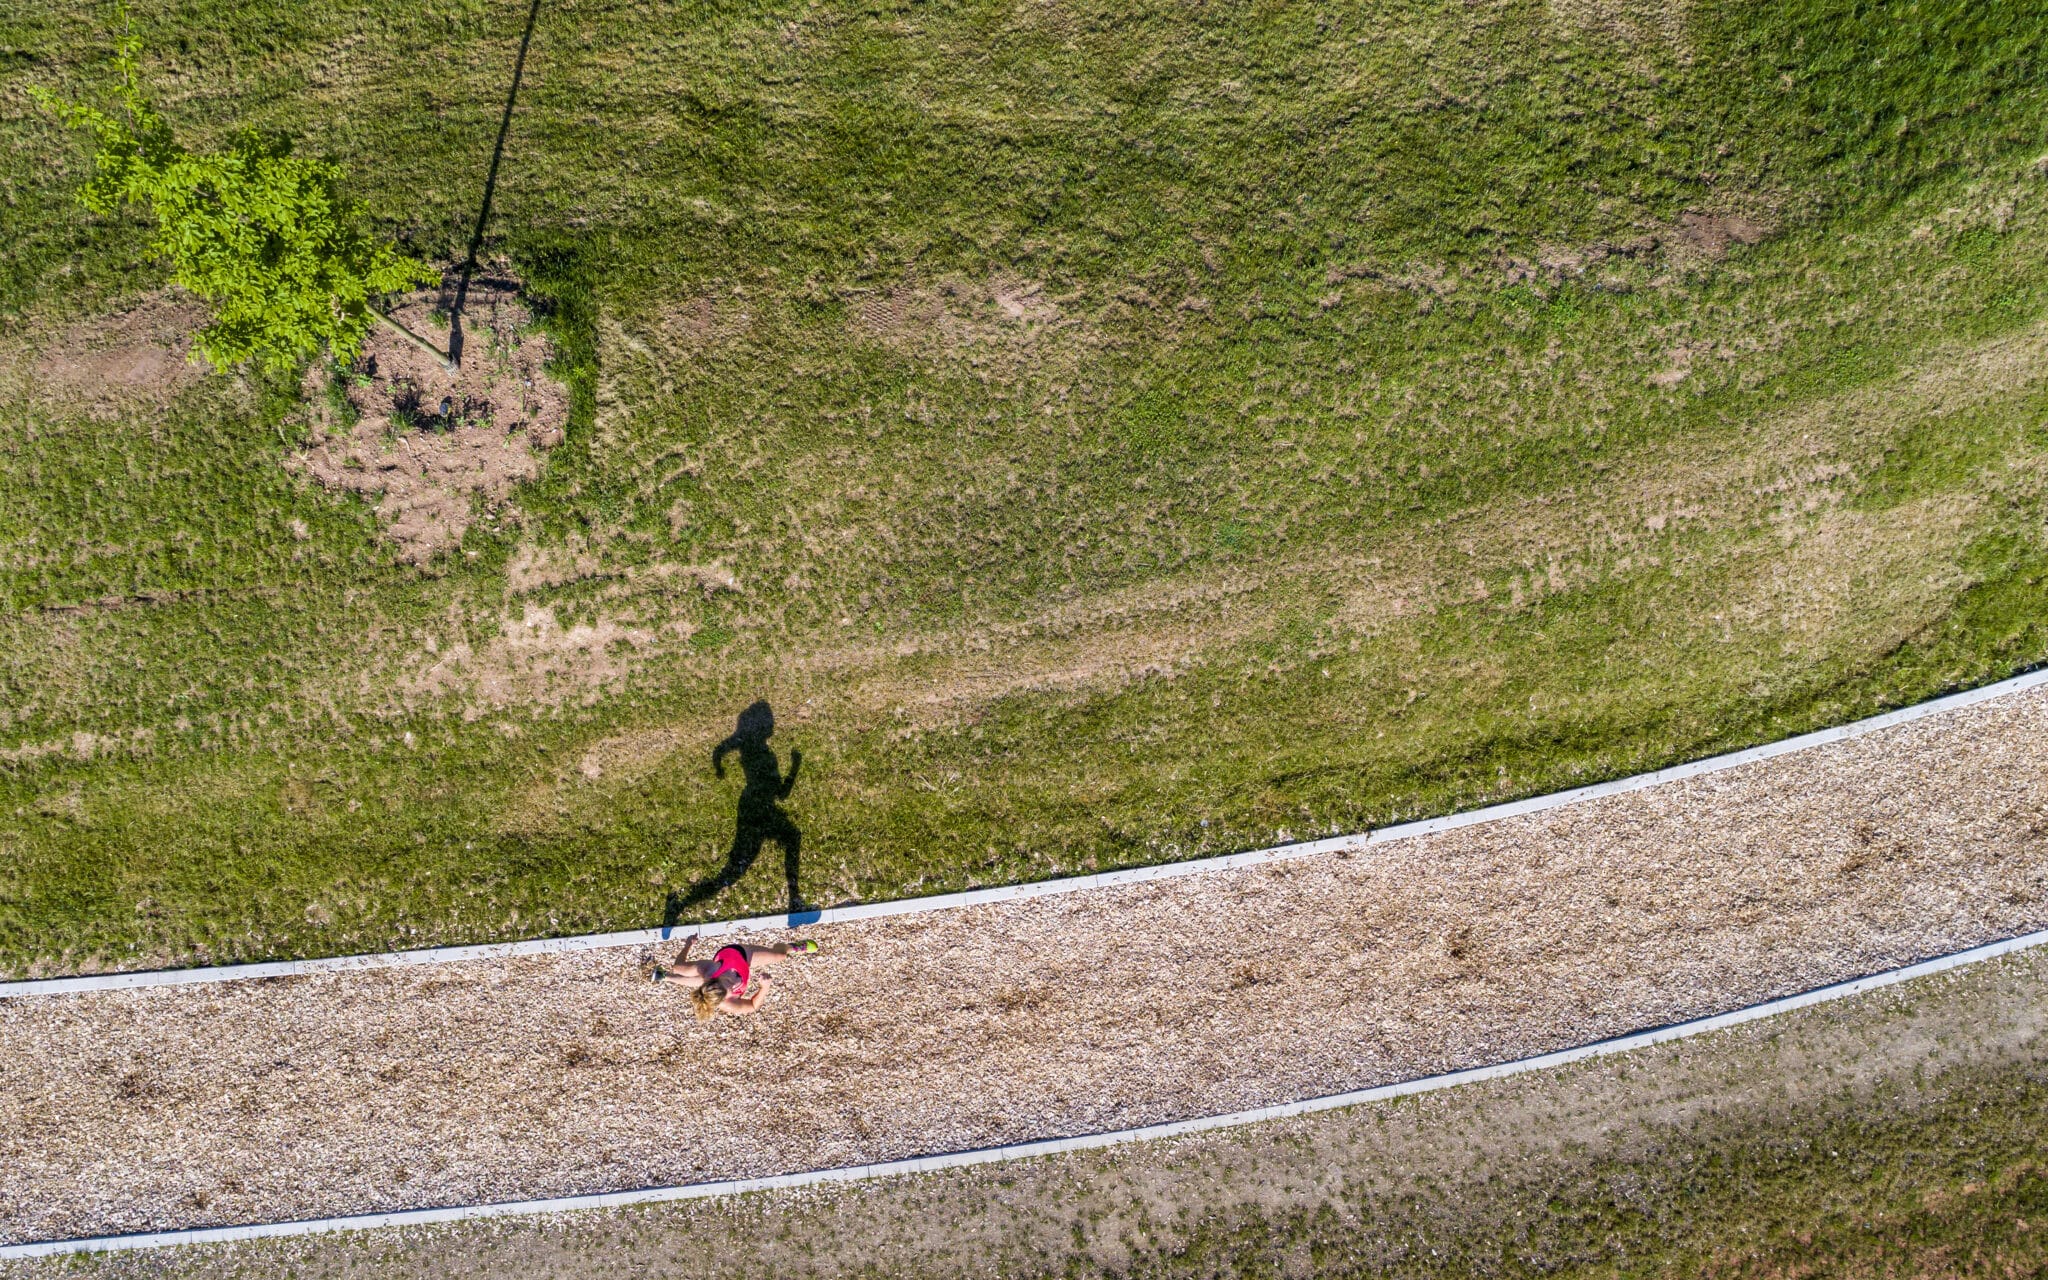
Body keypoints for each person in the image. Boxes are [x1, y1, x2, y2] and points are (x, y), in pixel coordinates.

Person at [651, 934, 818, 1019]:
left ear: (714, 980)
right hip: (740, 968)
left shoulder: (708, 969)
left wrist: (688, 944)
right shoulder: (727, 1004)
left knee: (780, 955)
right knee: (696, 982)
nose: (733, 987)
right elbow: (752, 1006)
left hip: (738, 955)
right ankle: (664, 976)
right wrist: (764, 988)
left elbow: (678, 965)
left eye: (727, 984)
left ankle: (790, 947)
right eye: (729, 992)